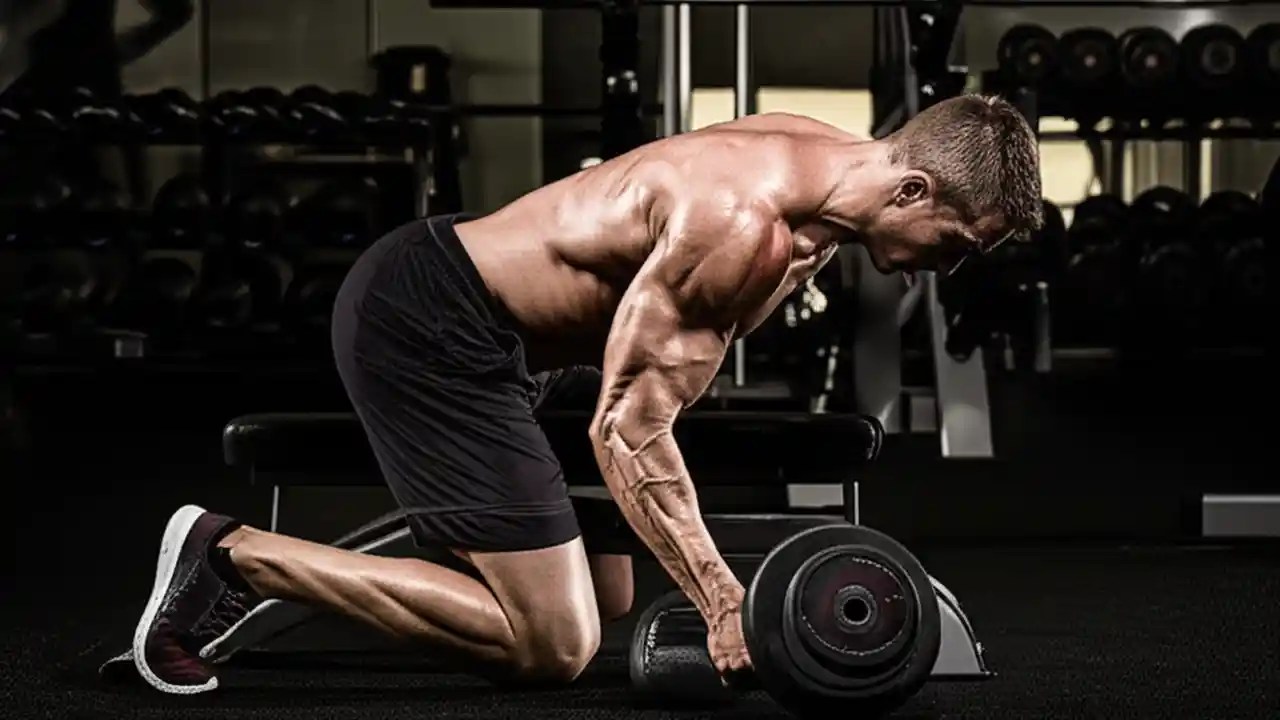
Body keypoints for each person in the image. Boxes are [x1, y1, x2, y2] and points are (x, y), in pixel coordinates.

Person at [130, 93, 1043, 694]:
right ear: (912, 187)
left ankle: (479, 544)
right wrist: (723, 600)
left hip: (512, 329)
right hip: (433, 321)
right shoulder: (742, 227)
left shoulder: (823, 157)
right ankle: (230, 556)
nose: (946, 269)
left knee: (605, 596)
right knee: (554, 645)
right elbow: (629, 431)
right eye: (956, 243)